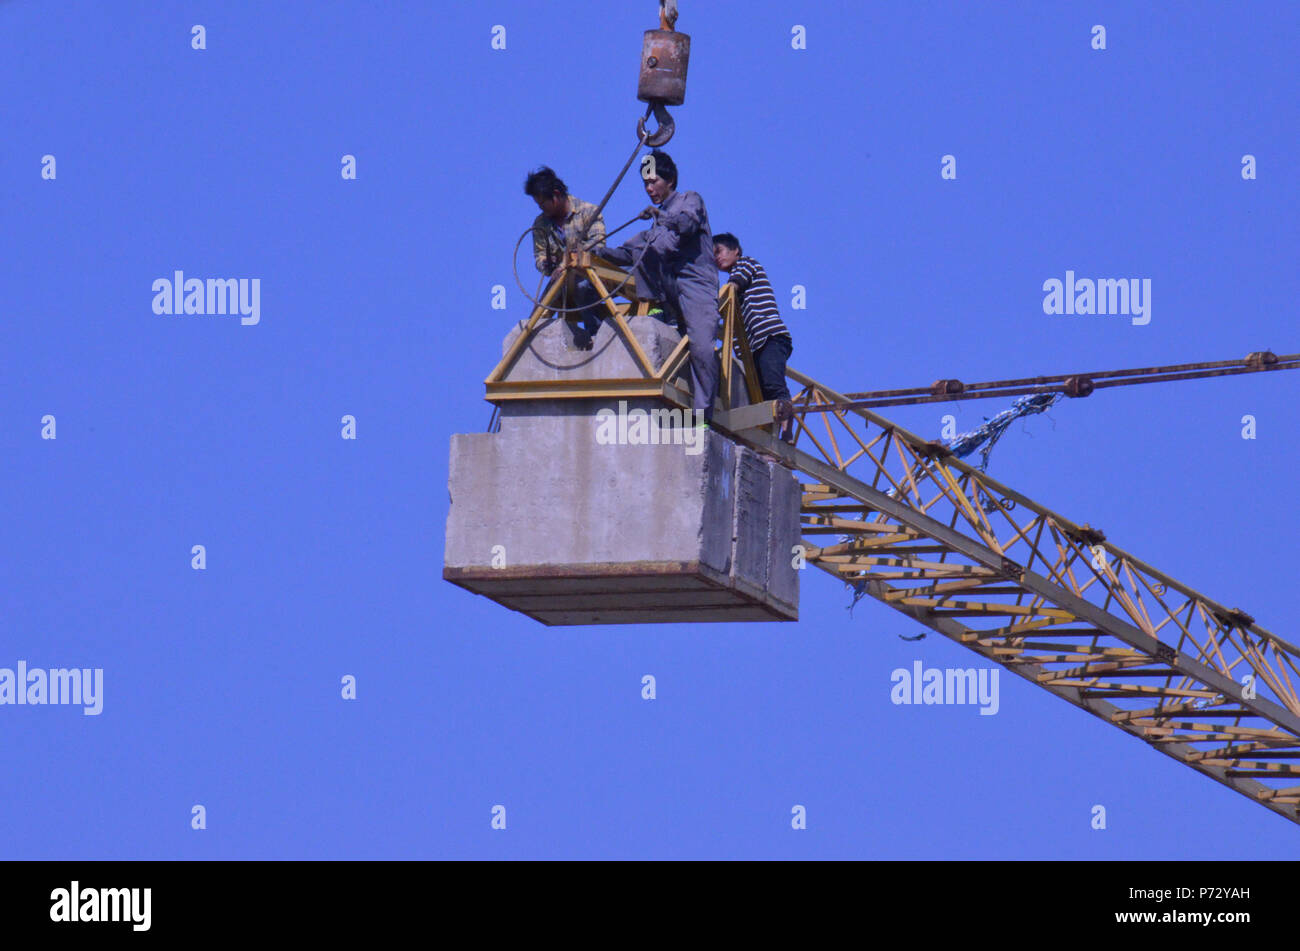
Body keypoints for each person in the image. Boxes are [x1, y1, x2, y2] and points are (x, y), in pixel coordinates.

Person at [594, 151, 720, 424]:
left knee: (701, 349)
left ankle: (702, 418)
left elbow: (687, 225)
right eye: (645, 184)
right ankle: (656, 310)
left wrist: (662, 218)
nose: (650, 189)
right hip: (669, 288)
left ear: (670, 179)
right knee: (643, 247)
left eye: (654, 181)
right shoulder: (655, 223)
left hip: (696, 284)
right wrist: (596, 252)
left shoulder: (690, 200)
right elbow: (628, 254)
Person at [713, 233, 795, 442]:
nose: (717, 258)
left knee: (773, 384)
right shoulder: (735, 295)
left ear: (735, 251)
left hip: (770, 336)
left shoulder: (747, 265)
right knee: (762, 396)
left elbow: (734, 283)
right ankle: (773, 439)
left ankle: (787, 431)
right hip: (754, 347)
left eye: (719, 252)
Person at [523, 166, 606, 347]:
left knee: (582, 287)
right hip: (560, 282)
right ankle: (531, 342)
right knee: (541, 309)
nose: (542, 209)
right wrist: (547, 264)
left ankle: (596, 335)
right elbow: (539, 255)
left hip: (591, 277)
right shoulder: (540, 224)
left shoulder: (588, 212)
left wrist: (570, 261)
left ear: (556, 194)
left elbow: (598, 246)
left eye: (544, 203)